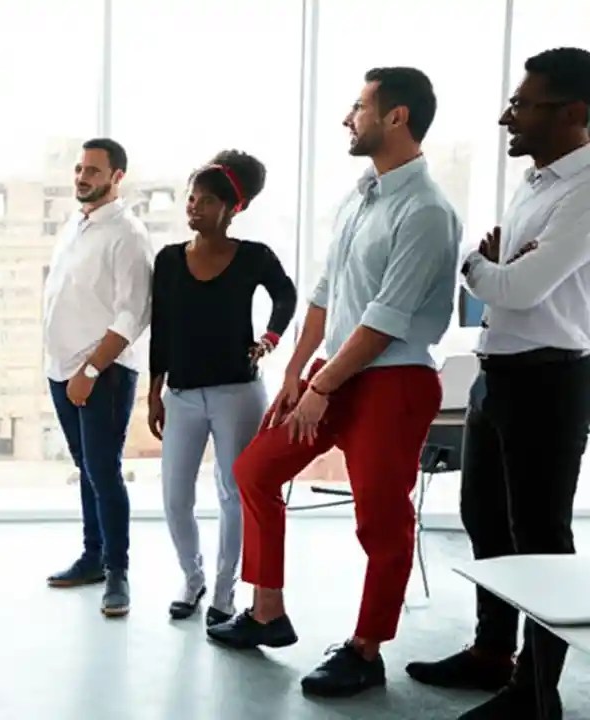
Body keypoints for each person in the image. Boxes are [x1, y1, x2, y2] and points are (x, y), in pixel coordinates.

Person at [206, 67, 461, 698]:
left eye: (359, 106)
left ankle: (366, 651)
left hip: (393, 382)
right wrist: (297, 372)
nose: (349, 118)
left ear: (396, 117)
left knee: (381, 519)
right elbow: (325, 292)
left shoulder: (427, 210)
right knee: (255, 471)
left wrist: (324, 385)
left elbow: (386, 319)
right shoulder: (360, 196)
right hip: (335, 374)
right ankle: (267, 613)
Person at [406, 46, 590, 720]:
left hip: (550, 381)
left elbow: (518, 285)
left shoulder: (586, 189)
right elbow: (508, 283)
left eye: (523, 103)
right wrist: (497, 272)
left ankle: (535, 695)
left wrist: (475, 265)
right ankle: (492, 654)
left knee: (539, 539)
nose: (506, 115)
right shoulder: (538, 182)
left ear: (573, 112)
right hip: (500, 373)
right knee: (485, 520)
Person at [148, 150, 297, 627]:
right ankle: (191, 579)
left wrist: (270, 339)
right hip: (183, 394)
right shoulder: (169, 260)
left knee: (233, 494)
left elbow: (286, 294)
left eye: (207, 200)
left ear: (233, 209)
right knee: (175, 496)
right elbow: (162, 330)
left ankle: (224, 593)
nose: (194, 208)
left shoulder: (253, 255)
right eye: (191, 198)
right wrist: (155, 391)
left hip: (237, 393)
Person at [43, 138, 153, 617]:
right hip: (61, 371)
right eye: (79, 168)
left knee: (104, 472)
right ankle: (92, 557)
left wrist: (89, 370)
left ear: (116, 177)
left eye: (93, 170)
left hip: (101, 373)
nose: (82, 177)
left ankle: (117, 573)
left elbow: (132, 316)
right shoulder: (77, 223)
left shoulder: (126, 234)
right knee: (86, 468)